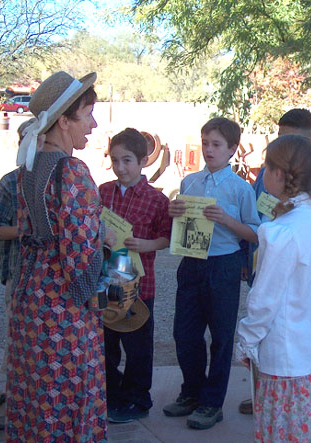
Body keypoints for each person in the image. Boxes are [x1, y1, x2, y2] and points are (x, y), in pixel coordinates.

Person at [6, 71, 115, 442]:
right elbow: (79, 256)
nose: (94, 124)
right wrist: (106, 239)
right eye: (87, 115)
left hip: (29, 300)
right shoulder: (72, 172)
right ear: (64, 122)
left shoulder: (28, 169)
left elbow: (29, 235)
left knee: (34, 400)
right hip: (62, 309)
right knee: (66, 399)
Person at [237, 134, 311, 442]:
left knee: (288, 429)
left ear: (280, 174)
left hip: (288, 353)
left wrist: (247, 339)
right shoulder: (310, 217)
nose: (262, 175)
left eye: (266, 168)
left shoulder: (281, 231)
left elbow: (265, 298)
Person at [163, 117, 261, 430]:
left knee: (221, 336)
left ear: (233, 149)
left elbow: (255, 233)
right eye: (205, 143)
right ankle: (191, 391)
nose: (209, 149)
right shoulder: (189, 182)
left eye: (216, 145)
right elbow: (180, 225)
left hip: (224, 265)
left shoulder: (241, 189)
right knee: (185, 333)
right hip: (191, 262)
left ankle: (212, 402)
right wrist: (174, 213)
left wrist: (226, 220)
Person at [99, 128, 172, 423]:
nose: (121, 168)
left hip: (141, 285)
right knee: (106, 341)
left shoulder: (157, 200)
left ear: (143, 161)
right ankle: (111, 393)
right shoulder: (102, 192)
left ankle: (138, 399)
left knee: (138, 345)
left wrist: (146, 245)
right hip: (106, 280)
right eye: (115, 161)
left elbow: (167, 237)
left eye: (127, 160)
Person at [0, 118, 36, 430]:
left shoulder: (62, 180)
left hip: (54, 281)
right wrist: (26, 231)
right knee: (16, 344)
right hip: (18, 277)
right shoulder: (10, 182)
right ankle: (10, 400)